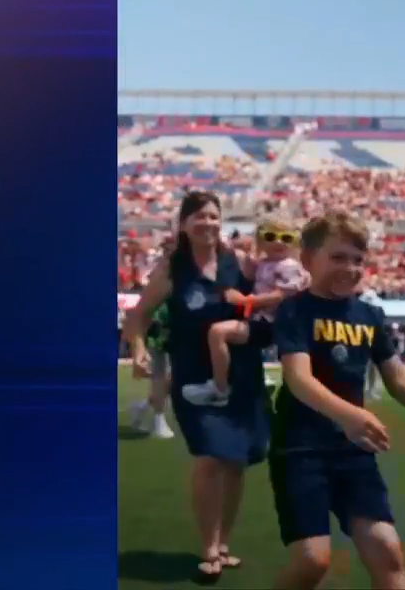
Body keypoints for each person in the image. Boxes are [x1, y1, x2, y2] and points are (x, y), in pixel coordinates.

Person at [269, 211, 405, 590]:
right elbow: (298, 379)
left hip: (353, 452)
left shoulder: (369, 315)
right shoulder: (295, 310)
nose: (350, 268)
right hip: (300, 450)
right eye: (338, 257)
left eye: (358, 260)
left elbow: (398, 380)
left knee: (386, 551)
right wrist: (349, 415)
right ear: (308, 259)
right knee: (312, 560)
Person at [121, 190, 273, 583]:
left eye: (213, 216)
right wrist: (138, 348)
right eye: (199, 216)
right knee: (209, 456)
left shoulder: (240, 262)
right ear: (184, 224)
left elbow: (277, 285)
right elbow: (139, 315)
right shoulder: (172, 270)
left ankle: (223, 543)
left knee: (236, 462)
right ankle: (208, 548)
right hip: (193, 380)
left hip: (243, 373)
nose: (208, 223)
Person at [183, 217, 307, 406]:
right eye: (271, 236)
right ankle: (231, 387)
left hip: (274, 323)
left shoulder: (289, 266)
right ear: (261, 240)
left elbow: (281, 295)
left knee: (218, 332)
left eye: (286, 238)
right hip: (263, 321)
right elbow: (249, 268)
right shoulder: (265, 263)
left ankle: (220, 388)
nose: (278, 241)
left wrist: (246, 301)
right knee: (267, 365)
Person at [125, 300, 175, 439]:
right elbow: (140, 315)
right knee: (161, 376)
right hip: (161, 331)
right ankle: (158, 419)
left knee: (171, 379)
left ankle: (142, 407)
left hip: (178, 330)